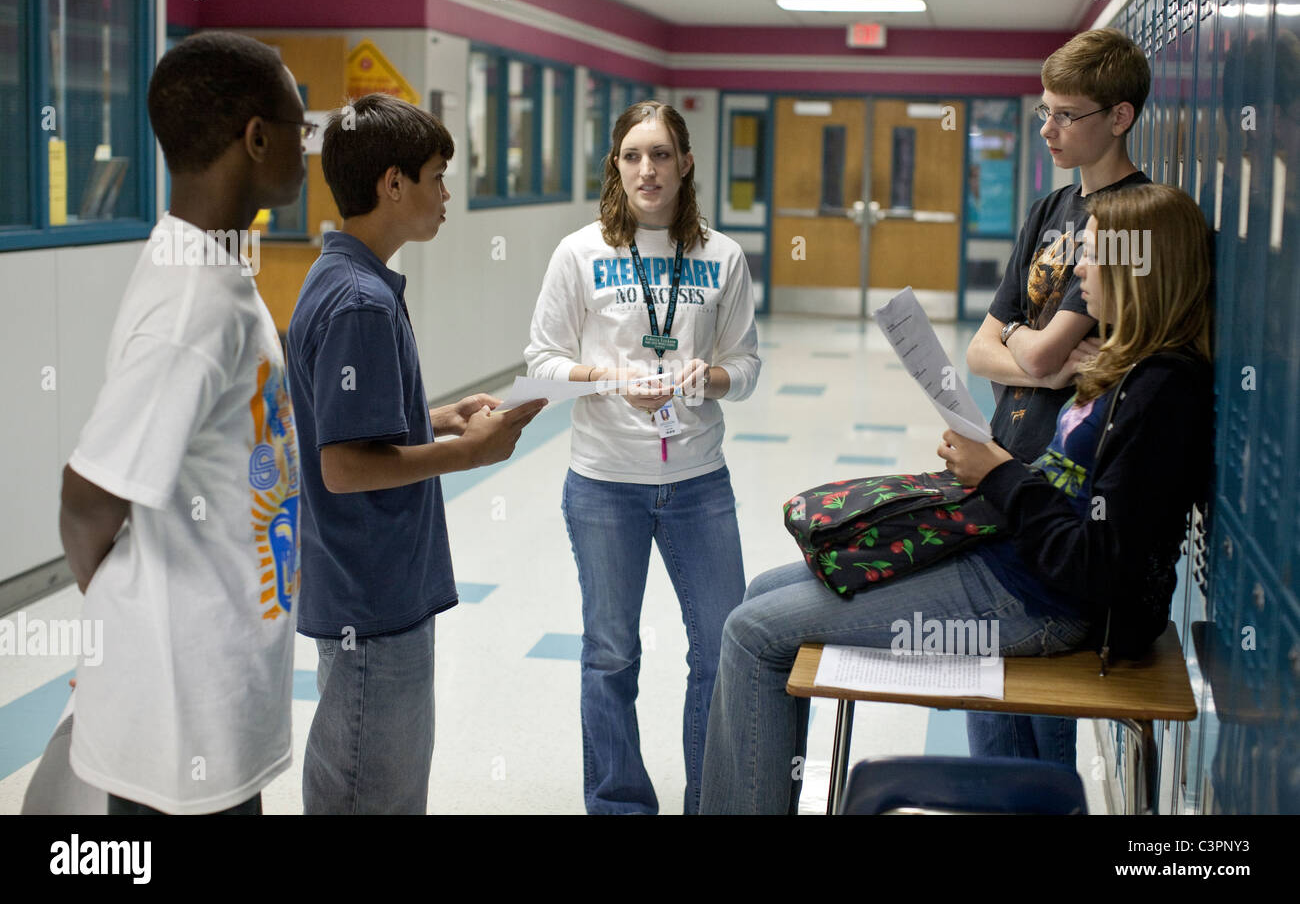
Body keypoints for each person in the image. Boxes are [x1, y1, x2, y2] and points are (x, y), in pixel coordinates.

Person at [699, 182, 1213, 814]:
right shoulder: (1125, 360)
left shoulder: (1163, 393)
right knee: (758, 597)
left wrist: (996, 472)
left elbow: (1097, 564)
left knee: (750, 633)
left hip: (1041, 600)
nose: (1078, 268)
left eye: (1093, 252)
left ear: (1141, 269)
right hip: (1009, 558)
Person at [59, 32, 309, 814]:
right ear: (256, 137)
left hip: (221, 674)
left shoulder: (216, 269)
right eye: (301, 129)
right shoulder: (193, 305)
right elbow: (90, 492)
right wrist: (115, 606)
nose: (308, 150)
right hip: (178, 704)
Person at [286, 93, 545, 814]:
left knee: (359, 779)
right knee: (374, 794)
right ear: (391, 184)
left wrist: (433, 419)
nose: (446, 195)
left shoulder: (341, 276)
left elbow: (347, 423)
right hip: (373, 599)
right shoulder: (361, 302)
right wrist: (470, 453)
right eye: (436, 176)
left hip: (363, 588)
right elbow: (344, 465)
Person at [525, 100, 761, 814]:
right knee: (610, 655)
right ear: (616, 166)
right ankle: (619, 803)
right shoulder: (581, 252)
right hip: (604, 485)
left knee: (721, 652)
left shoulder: (722, 256)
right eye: (632, 156)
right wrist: (606, 379)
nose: (647, 170)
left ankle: (709, 798)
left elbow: (747, 366)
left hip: (698, 483)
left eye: (660, 154)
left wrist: (706, 376)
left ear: (686, 164)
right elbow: (540, 363)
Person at [963, 27, 1151, 768]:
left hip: (1060, 487)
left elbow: (1021, 346)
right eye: (1044, 110)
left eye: (1066, 114)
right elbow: (985, 350)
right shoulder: (1049, 212)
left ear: (1119, 117)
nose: (1047, 128)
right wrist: (1034, 363)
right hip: (1001, 459)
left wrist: (1023, 353)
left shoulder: (1131, 223)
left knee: (1040, 717)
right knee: (988, 694)